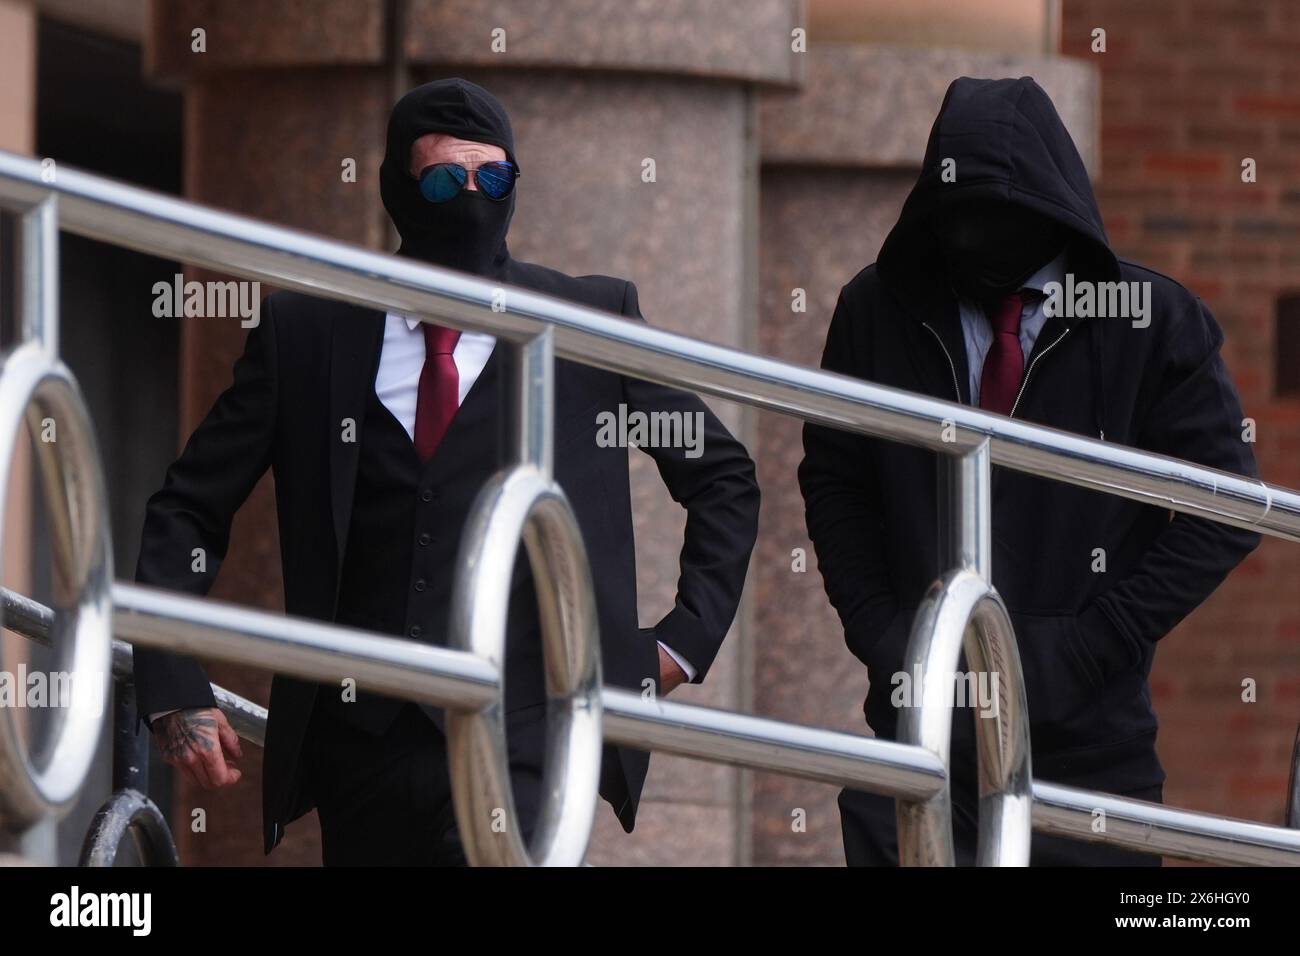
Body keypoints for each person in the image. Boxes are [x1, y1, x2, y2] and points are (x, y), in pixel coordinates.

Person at [132, 78, 760, 865]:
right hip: (363, 742)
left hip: (527, 731)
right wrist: (171, 675)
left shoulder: (589, 324)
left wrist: (675, 647)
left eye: (491, 179)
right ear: (398, 189)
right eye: (442, 180)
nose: (469, 196)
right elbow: (190, 506)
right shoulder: (310, 331)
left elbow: (722, 478)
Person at [799, 76, 1260, 866]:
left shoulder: (1149, 322)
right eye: (962, 213)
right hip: (917, 731)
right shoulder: (878, 310)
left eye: (1002, 214)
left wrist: (1092, 644)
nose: (978, 238)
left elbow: (1230, 505)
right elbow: (836, 479)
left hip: (1089, 752)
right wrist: (882, 634)